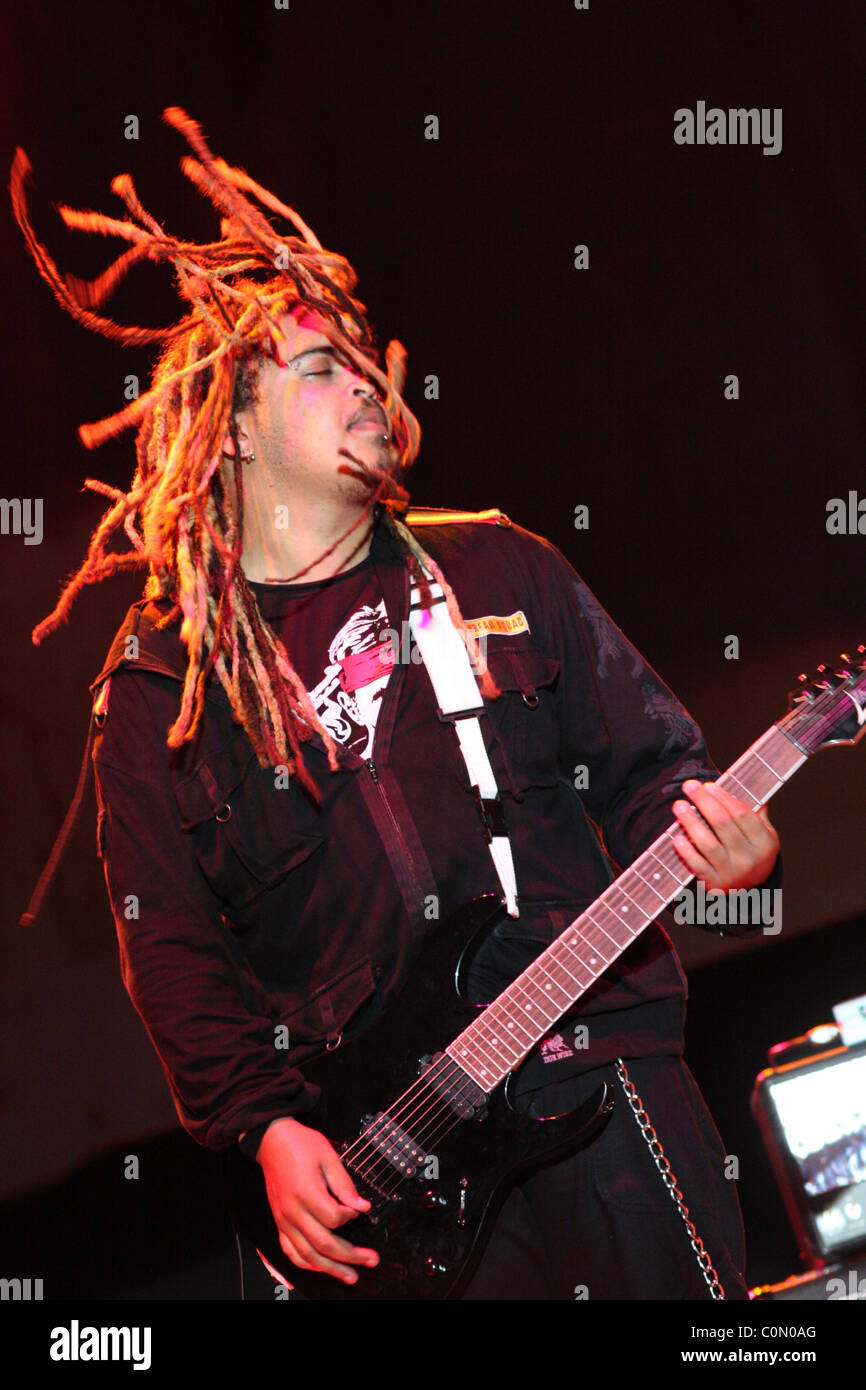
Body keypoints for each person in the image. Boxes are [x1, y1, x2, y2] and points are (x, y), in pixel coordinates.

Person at [13, 108, 781, 1301]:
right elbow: (170, 952)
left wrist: (729, 844)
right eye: (321, 369)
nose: (367, 382)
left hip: (598, 1078)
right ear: (229, 434)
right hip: (390, 1178)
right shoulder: (164, 690)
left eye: (366, 358)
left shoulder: (495, 565)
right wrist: (266, 1130)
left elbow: (651, 782)